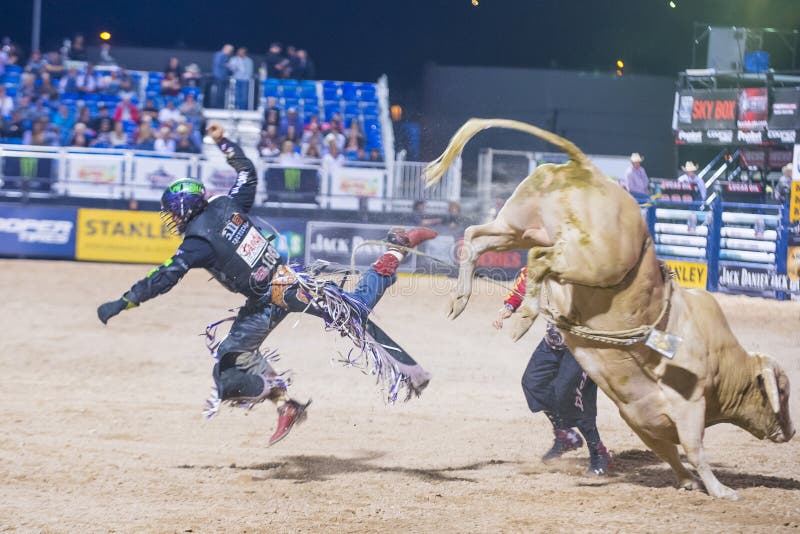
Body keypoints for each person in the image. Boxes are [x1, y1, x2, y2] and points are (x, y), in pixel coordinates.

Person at [97, 123, 436, 445]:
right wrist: (223, 142)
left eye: (172, 214)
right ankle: (284, 405)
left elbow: (163, 278)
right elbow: (247, 172)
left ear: (182, 210)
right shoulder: (227, 204)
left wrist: (124, 301)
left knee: (351, 312)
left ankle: (395, 251)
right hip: (269, 296)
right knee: (231, 361)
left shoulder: (196, 242)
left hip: (282, 288)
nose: (172, 221)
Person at [494, 267, 612, 475]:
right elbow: (530, 274)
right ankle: (564, 434)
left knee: (570, 393)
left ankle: (598, 451)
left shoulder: (587, 254)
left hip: (583, 341)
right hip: (554, 339)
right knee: (533, 382)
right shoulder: (551, 250)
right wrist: (510, 306)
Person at [210, 44, 233, 108]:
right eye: (230, 50)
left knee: (222, 92)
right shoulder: (219, 54)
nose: (230, 52)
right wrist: (226, 65)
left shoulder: (226, 56)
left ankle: (221, 105)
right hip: (218, 76)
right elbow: (218, 63)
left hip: (223, 77)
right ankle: (216, 106)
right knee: (218, 92)